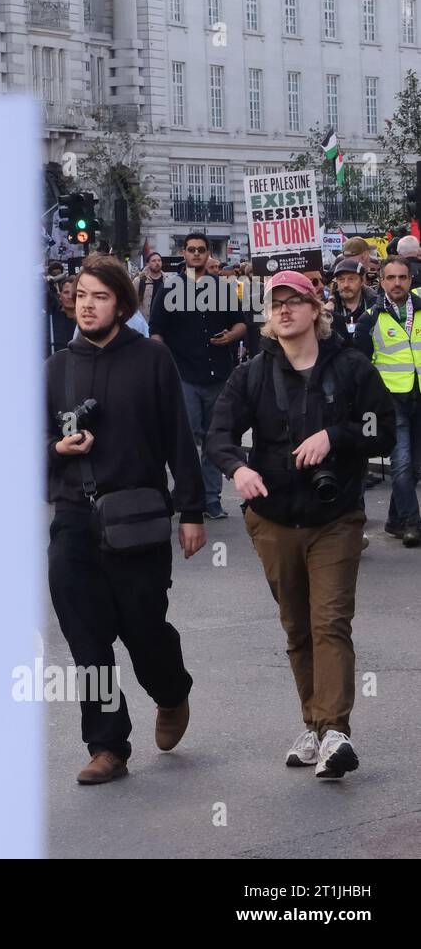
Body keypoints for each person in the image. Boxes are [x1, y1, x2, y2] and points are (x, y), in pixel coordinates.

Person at [206, 271, 394, 778]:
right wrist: (238, 469)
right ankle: (313, 727)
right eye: (276, 304)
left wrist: (335, 436)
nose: (284, 310)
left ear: (316, 310)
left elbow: (383, 431)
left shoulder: (352, 367)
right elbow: (218, 435)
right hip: (272, 519)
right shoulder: (251, 375)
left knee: (329, 620)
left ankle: (334, 731)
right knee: (296, 626)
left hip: (336, 517)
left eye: (294, 301)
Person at [45, 254, 205, 786]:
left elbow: (179, 439)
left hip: (137, 517)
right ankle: (107, 745)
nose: (87, 305)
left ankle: (171, 690)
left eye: (100, 296)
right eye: (81, 295)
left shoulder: (152, 360)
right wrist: (56, 447)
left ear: (121, 304)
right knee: (87, 641)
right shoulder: (56, 368)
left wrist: (191, 510)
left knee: (143, 630)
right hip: (73, 520)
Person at [150, 231, 247, 519]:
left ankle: (211, 499)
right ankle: (187, 495)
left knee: (215, 440)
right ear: (183, 253)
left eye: (201, 250)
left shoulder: (224, 287)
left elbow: (241, 324)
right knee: (187, 441)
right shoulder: (170, 288)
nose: (195, 254)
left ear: (208, 254)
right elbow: (156, 332)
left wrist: (230, 336)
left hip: (219, 375)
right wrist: (165, 366)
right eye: (191, 249)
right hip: (184, 376)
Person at [351, 256, 421, 546]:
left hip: (419, 398)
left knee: (415, 467)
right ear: (381, 282)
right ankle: (412, 523)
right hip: (392, 402)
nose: (396, 283)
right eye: (390, 278)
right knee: (402, 464)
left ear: (410, 280)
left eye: (402, 277)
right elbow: (361, 367)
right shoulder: (370, 318)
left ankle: (393, 520)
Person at [133, 251, 165, 321]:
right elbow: (131, 301)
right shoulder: (139, 281)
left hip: (163, 324)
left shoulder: (168, 281)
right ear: (147, 264)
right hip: (145, 323)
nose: (157, 263)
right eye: (153, 261)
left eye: (159, 260)